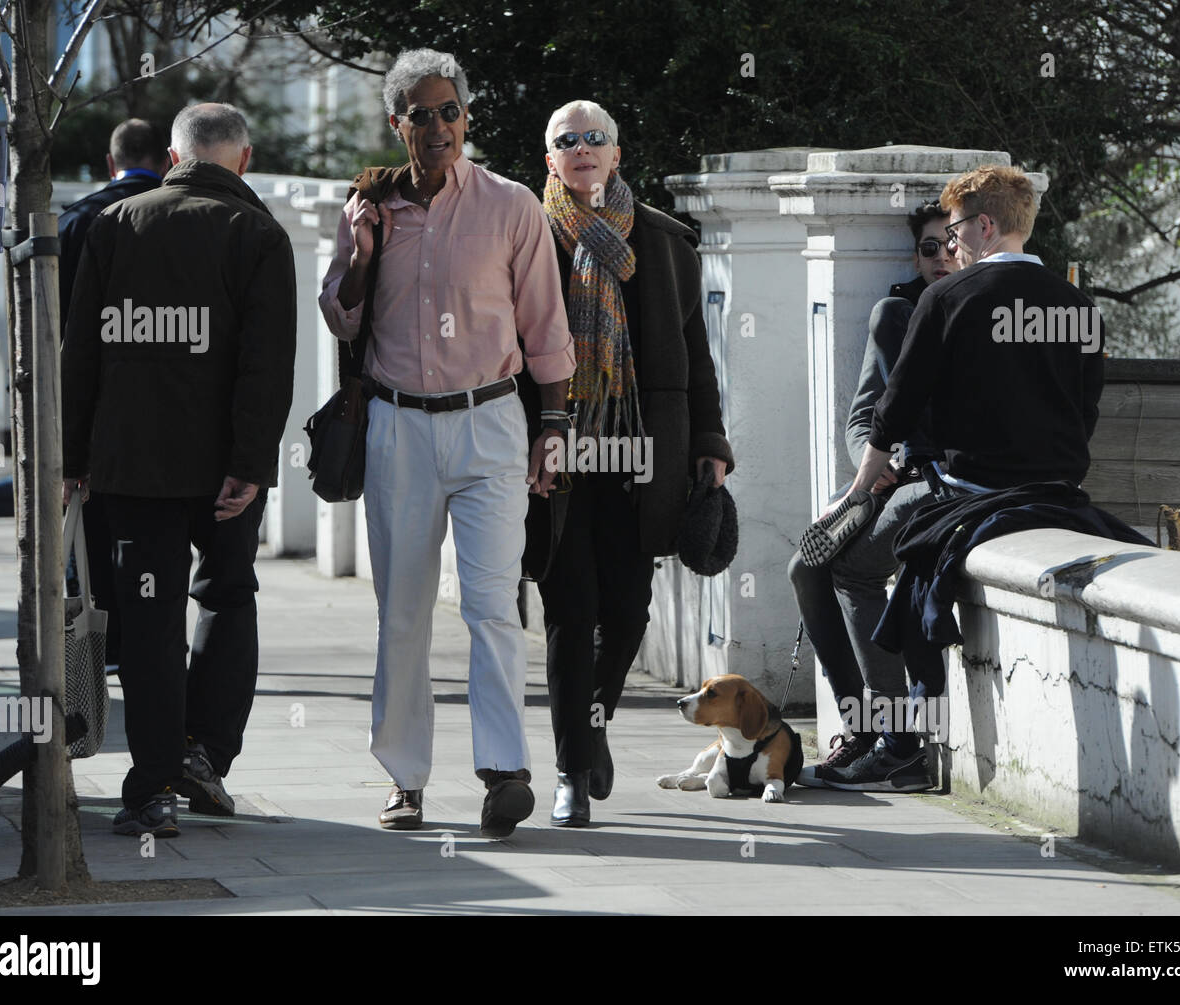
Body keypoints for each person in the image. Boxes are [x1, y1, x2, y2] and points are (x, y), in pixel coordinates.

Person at [318, 50, 576, 839]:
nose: (438, 127)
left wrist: (556, 426)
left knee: (493, 604)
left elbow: (546, 327)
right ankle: (405, 779)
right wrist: (361, 254)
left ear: (467, 117)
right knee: (401, 611)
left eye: (450, 111)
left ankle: (504, 770)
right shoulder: (370, 205)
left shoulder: (512, 205)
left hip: (491, 421)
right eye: (421, 115)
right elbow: (341, 314)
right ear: (396, 124)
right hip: (398, 423)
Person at [820, 164, 1106, 790]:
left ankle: (897, 740)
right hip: (1059, 494)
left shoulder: (946, 299)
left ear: (984, 226)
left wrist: (859, 486)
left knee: (849, 568)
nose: (950, 247)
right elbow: (1083, 415)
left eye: (954, 233)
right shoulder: (1078, 306)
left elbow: (894, 408)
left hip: (972, 492)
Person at [62, 103, 296, 836]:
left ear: (172, 156)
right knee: (227, 594)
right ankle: (205, 753)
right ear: (245, 160)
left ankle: (153, 785)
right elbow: (268, 364)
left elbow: (82, 352)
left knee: (150, 616)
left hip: (136, 465)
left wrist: (73, 458)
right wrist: (252, 464)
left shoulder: (114, 224)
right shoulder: (257, 233)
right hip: (227, 466)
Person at [524, 100, 733, 826]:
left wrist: (710, 443)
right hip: (556, 451)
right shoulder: (528, 236)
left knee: (628, 607)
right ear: (549, 159)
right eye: (566, 141)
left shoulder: (668, 242)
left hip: (641, 453)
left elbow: (696, 358)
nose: (581, 149)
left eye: (595, 139)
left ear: (616, 154)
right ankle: (570, 771)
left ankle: (593, 720)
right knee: (569, 609)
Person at [789, 202, 959, 790]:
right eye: (928, 249)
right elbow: (865, 413)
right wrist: (875, 460)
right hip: (885, 473)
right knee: (803, 566)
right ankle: (860, 725)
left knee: (856, 572)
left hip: (937, 481)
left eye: (949, 245)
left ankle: (899, 741)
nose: (940, 258)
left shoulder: (981, 313)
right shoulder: (898, 311)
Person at [58, 118, 172, 674]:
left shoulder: (77, 220)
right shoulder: (181, 217)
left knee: (97, 528)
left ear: (110, 163)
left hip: (97, 405)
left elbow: (56, 333)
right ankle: (151, 642)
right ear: (169, 162)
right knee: (161, 533)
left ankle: (107, 640)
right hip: (171, 403)